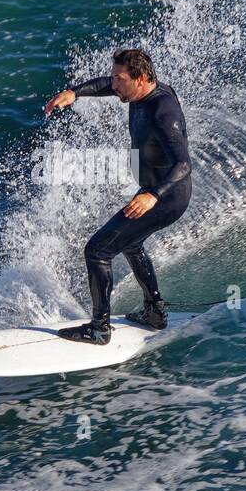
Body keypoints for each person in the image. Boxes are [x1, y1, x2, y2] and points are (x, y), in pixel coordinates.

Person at [43, 49, 192, 345]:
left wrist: (153, 195)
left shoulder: (163, 111)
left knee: (97, 251)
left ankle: (99, 328)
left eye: (119, 79)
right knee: (131, 242)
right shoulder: (137, 92)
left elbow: (183, 164)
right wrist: (75, 92)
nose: (114, 85)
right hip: (152, 189)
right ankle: (155, 311)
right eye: (114, 77)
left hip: (166, 196)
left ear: (140, 78)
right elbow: (104, 85)